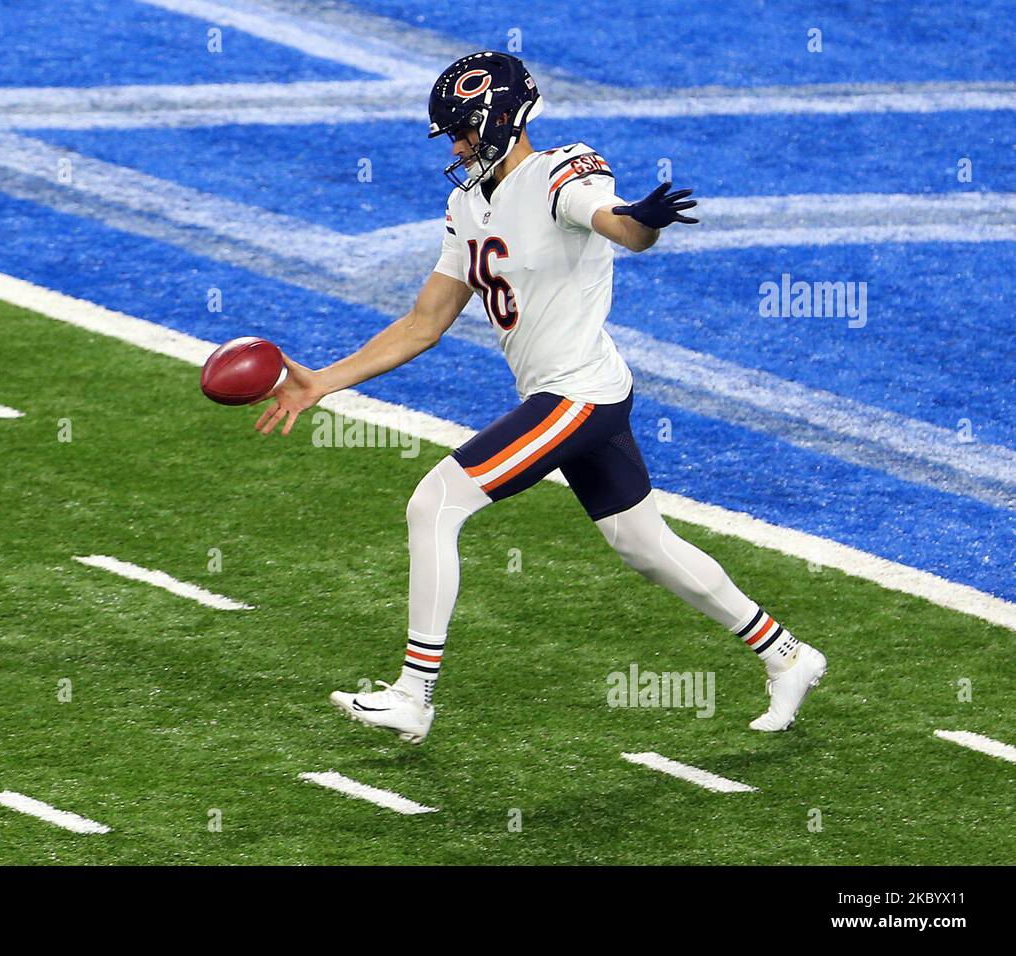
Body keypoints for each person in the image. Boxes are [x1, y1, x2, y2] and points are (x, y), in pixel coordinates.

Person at [256, 51, 825, 743]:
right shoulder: (465, 204)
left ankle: (414, 693)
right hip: (579, 391)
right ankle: (787, 655)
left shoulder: (559, 171)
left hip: (577, 393)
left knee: (434, 503)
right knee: (643, 545)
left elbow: (619, 225)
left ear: (499, 119)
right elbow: (425, 322)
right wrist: (323, 380)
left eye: (464, 131)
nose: (458, 146)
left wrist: (642, 222)